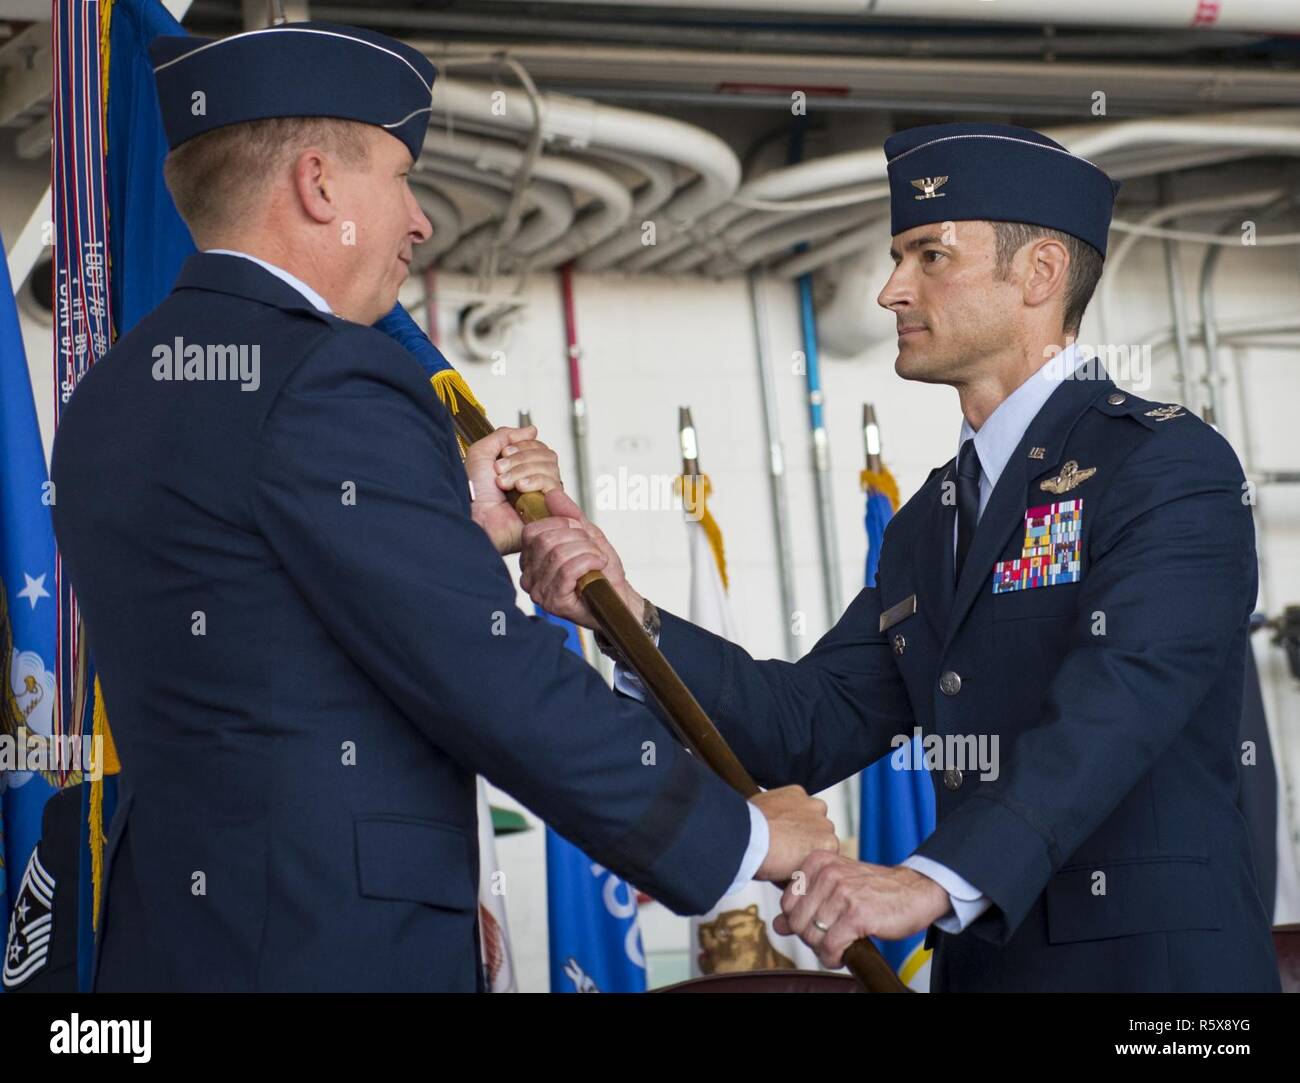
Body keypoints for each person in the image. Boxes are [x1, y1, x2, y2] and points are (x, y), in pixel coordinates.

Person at [49, 21, 835, 992]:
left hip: (176, 937)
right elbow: (489, 675)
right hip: (327, 945)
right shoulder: (330, 374)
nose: (419, 221)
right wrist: (747, 837)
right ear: (319, 185)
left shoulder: (112, 393)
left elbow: (265, 620)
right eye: (399, 175)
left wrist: (447, 532)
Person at [520, 122, 1281, 992]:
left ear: (1039, 275)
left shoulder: (1163, 464)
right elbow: (802, 722)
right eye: (896, 256)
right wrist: (622, 613)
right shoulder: (932, 518)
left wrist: (930, 879)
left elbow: (1119, 705)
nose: (889, 290)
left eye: (929, 255)